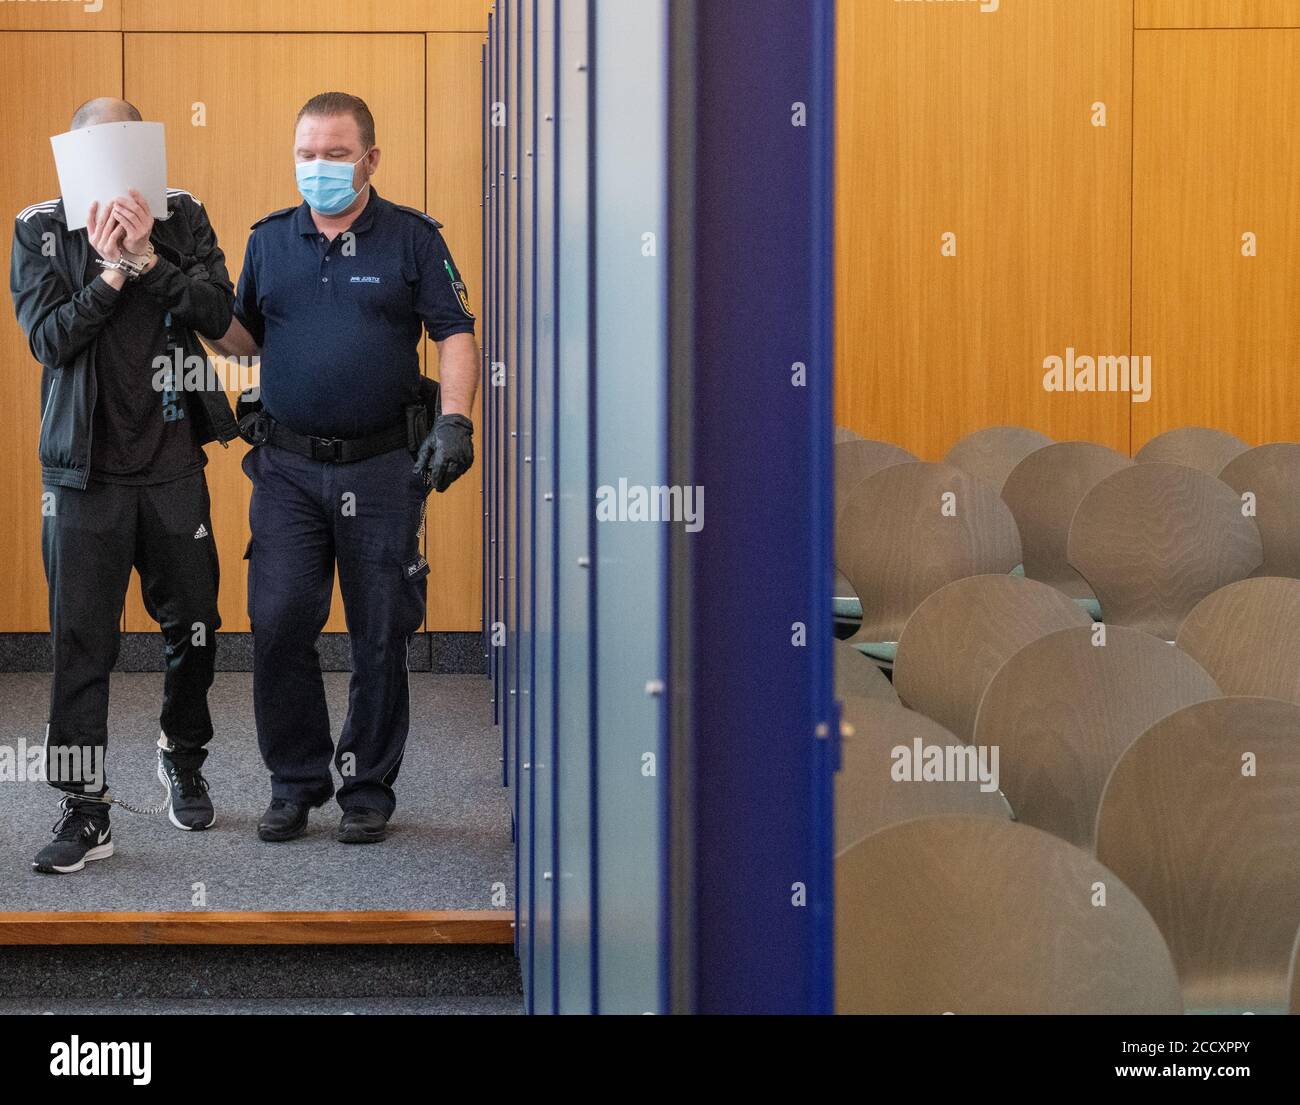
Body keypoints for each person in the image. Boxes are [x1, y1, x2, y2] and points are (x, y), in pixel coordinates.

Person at [208, 92, 479, 844]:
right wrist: (197, 310)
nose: (318, 167)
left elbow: (455, 333)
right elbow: (242, 342)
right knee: (279, 621)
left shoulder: (413, 238)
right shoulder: (269, 240)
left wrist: (455, 419)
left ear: (370, 159)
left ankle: (364, 785)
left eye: (334, 153)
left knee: (381, 630)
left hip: (383, 468)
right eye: (306, 154)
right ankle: (294, 781)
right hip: (288, 468)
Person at [10, 98, 238, 873]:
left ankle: (183, 750)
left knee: (197, 623)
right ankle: (85, 808)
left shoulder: (184, 214)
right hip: (82, 474)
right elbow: (49, 339)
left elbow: (219, 312)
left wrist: (151, 258)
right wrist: (111, 273)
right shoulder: (38, 227)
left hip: (173, 462)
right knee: (80, 641)